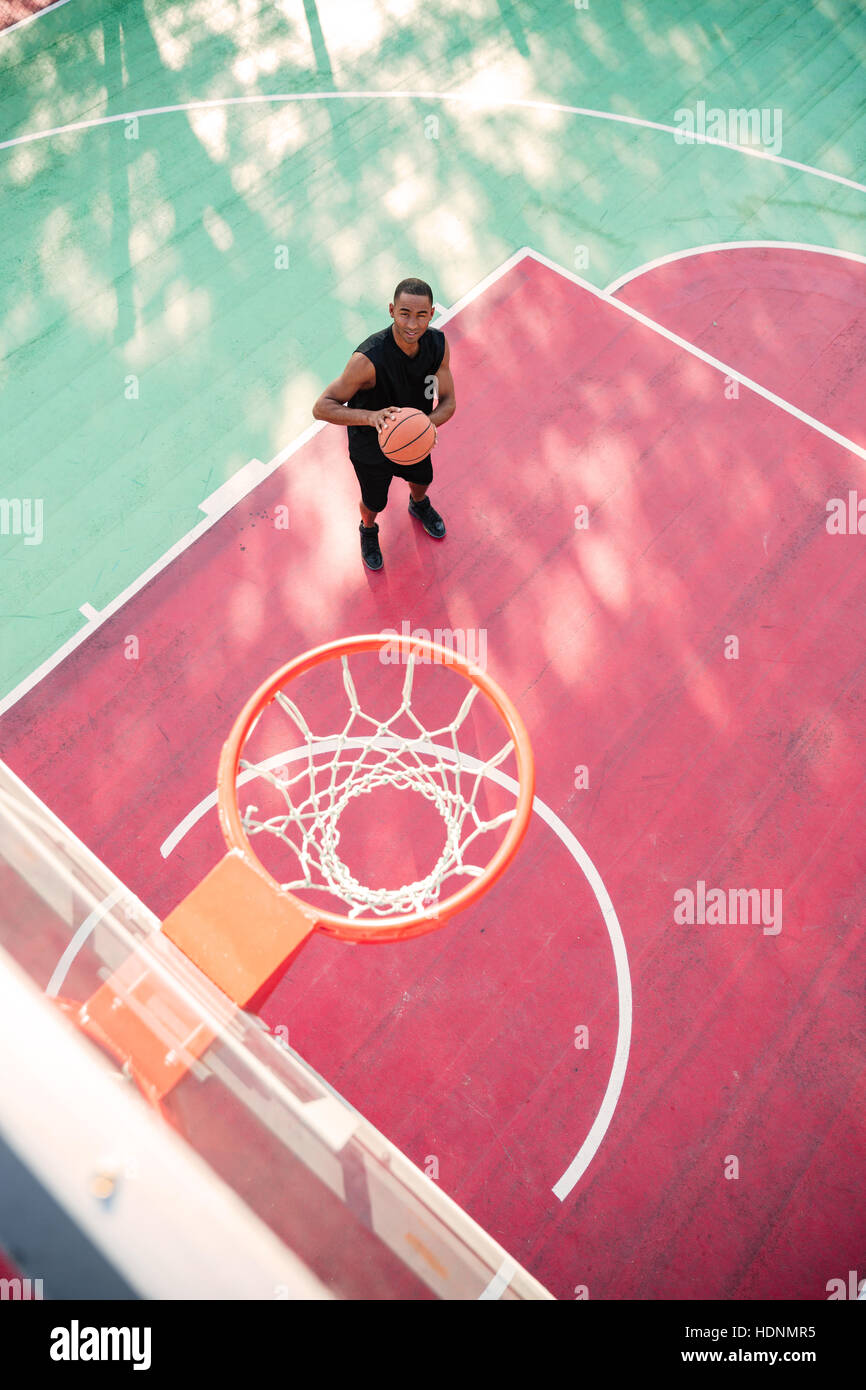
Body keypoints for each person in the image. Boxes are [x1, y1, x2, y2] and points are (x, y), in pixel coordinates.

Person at [312, 277, 456, 570]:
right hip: (370, 445)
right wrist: (371, 417)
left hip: (411, 436)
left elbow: (448, 400)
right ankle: (368, 529)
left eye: (421, 315)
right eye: (405, 313)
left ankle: (418, 505)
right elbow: (321, 407)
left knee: (423, 479)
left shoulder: (438, 345)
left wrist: (427, 426)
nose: (413, 324)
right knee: (374, 502)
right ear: (391, 310)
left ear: (432, 313)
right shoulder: (367, 360)